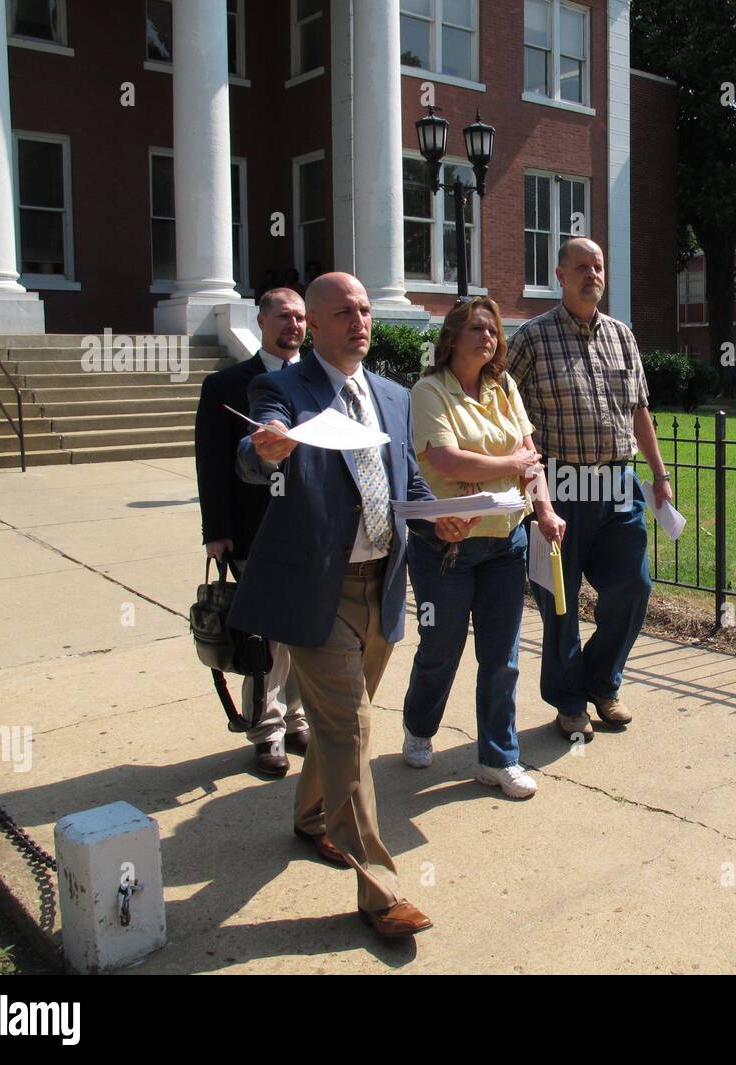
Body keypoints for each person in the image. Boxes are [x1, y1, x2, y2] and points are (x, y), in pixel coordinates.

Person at [229, 272, 472, 939]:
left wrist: (437, 517)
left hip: (381, 588)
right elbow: (256, 447)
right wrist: (265, 445)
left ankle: (311, 819)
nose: (360, 321)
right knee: (352, 730)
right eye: (344, 312)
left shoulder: (392, 397)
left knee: (341, 728)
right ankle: (380, 889)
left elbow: (409, 483)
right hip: (317, 592)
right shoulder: (285, 387)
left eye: (365, 310)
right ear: (311, 323)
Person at [506, 238, 672, 741]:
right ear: (560, 274)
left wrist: (659, 475)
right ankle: (569, 701)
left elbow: (640, 411)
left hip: (618, 487)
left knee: (633, 585)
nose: (591, 274)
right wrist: (533, 492)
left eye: (598, 266)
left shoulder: (622, 337)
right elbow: (509, 417)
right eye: (581, 266)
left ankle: (602, 681)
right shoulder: (531, 338)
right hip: (557, 489)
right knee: (559, 600)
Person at [401, 297, 566, 799]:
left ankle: (499, 758)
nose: (488, 338)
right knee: (441, 650)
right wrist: (509, 461)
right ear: (451, 337)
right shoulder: (429, 391)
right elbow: (447, 460)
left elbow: (530, 459)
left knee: (503, 657)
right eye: (477, 328)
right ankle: (419, 726)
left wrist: (543, 510)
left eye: (492, 330)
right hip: (446, 549)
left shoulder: (504, 387)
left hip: (506, 543)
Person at [194, 287, 310, 777]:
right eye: (283, 315)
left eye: (301, 317)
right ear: (260, 320)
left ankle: (299, 717)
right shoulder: (225, 385)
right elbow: (211, 462)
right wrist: (217, 530)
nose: (294, 325)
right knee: (267, 638)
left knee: (306, 633)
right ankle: (266, 731)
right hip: (254, 531)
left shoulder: (319, 380)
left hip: (312, 531)